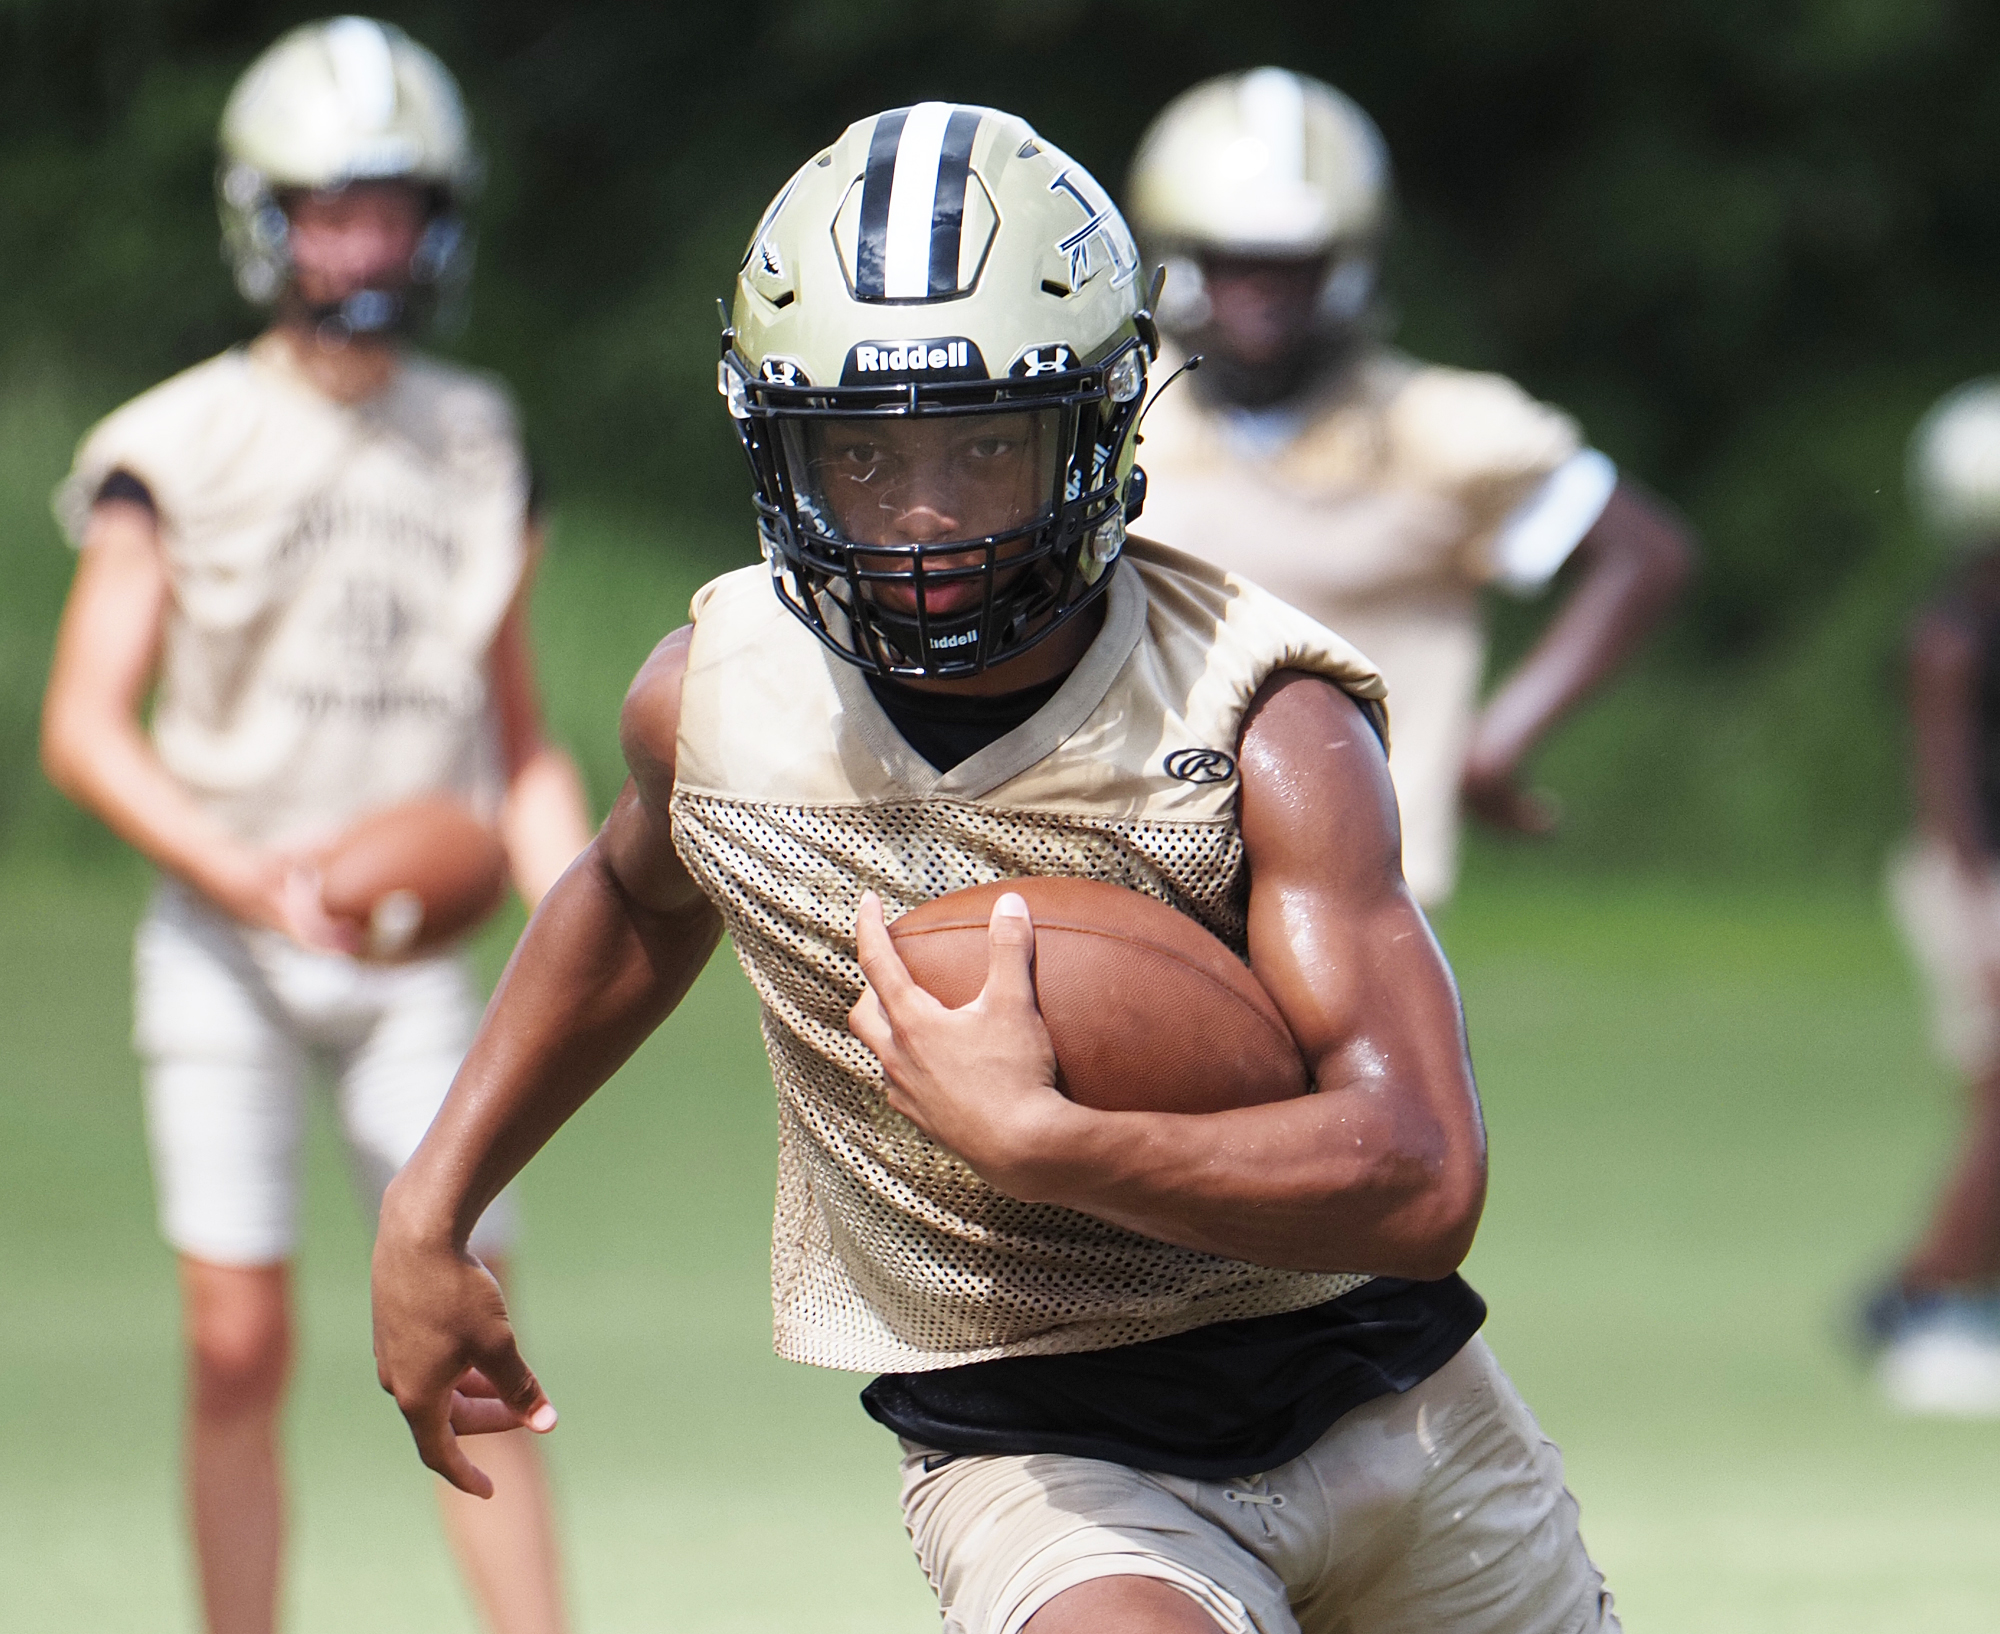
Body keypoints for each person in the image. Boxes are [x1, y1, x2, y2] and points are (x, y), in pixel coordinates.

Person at [371, 102, 1619, 1634]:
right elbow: (636, 890)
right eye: (863, 452)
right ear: (777, 444)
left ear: (1102, 426)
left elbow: (1423, 1175)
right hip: (1045, 1446)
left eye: (984, 445)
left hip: (1393, 1408)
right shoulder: (713, 699)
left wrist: (1054, 1142)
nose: (924, 518)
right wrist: (429, 1207)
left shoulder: (1261, 721)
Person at [38, 19, 585, 1634]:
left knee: (475, 1329)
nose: (365, 243)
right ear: (264, 221)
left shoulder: (482, 435)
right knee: (235, 1335)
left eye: (395, 207)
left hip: (425, 957)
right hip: (229, 938)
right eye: (332, 208)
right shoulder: (173, 438)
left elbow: (518, 736)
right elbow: (85, 721)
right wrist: (251, 877)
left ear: (443, 221)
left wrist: (587, 916)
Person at [1124, 69, 1694, 906]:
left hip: (1353, 891)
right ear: (1183, 254)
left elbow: (1644, 552)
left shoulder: (1439, 426)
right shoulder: (1111, 409)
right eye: (1238, 261)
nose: (1265, 294)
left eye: (1296, 265)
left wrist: (1496, 740)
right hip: (1132, 869)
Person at [1863, 379, 2000, 1415]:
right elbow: (1946, 795)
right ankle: (1914, 1295)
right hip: (1969, 879)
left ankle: (1947, 1291)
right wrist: (1976, 923)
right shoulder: (1949, 636)